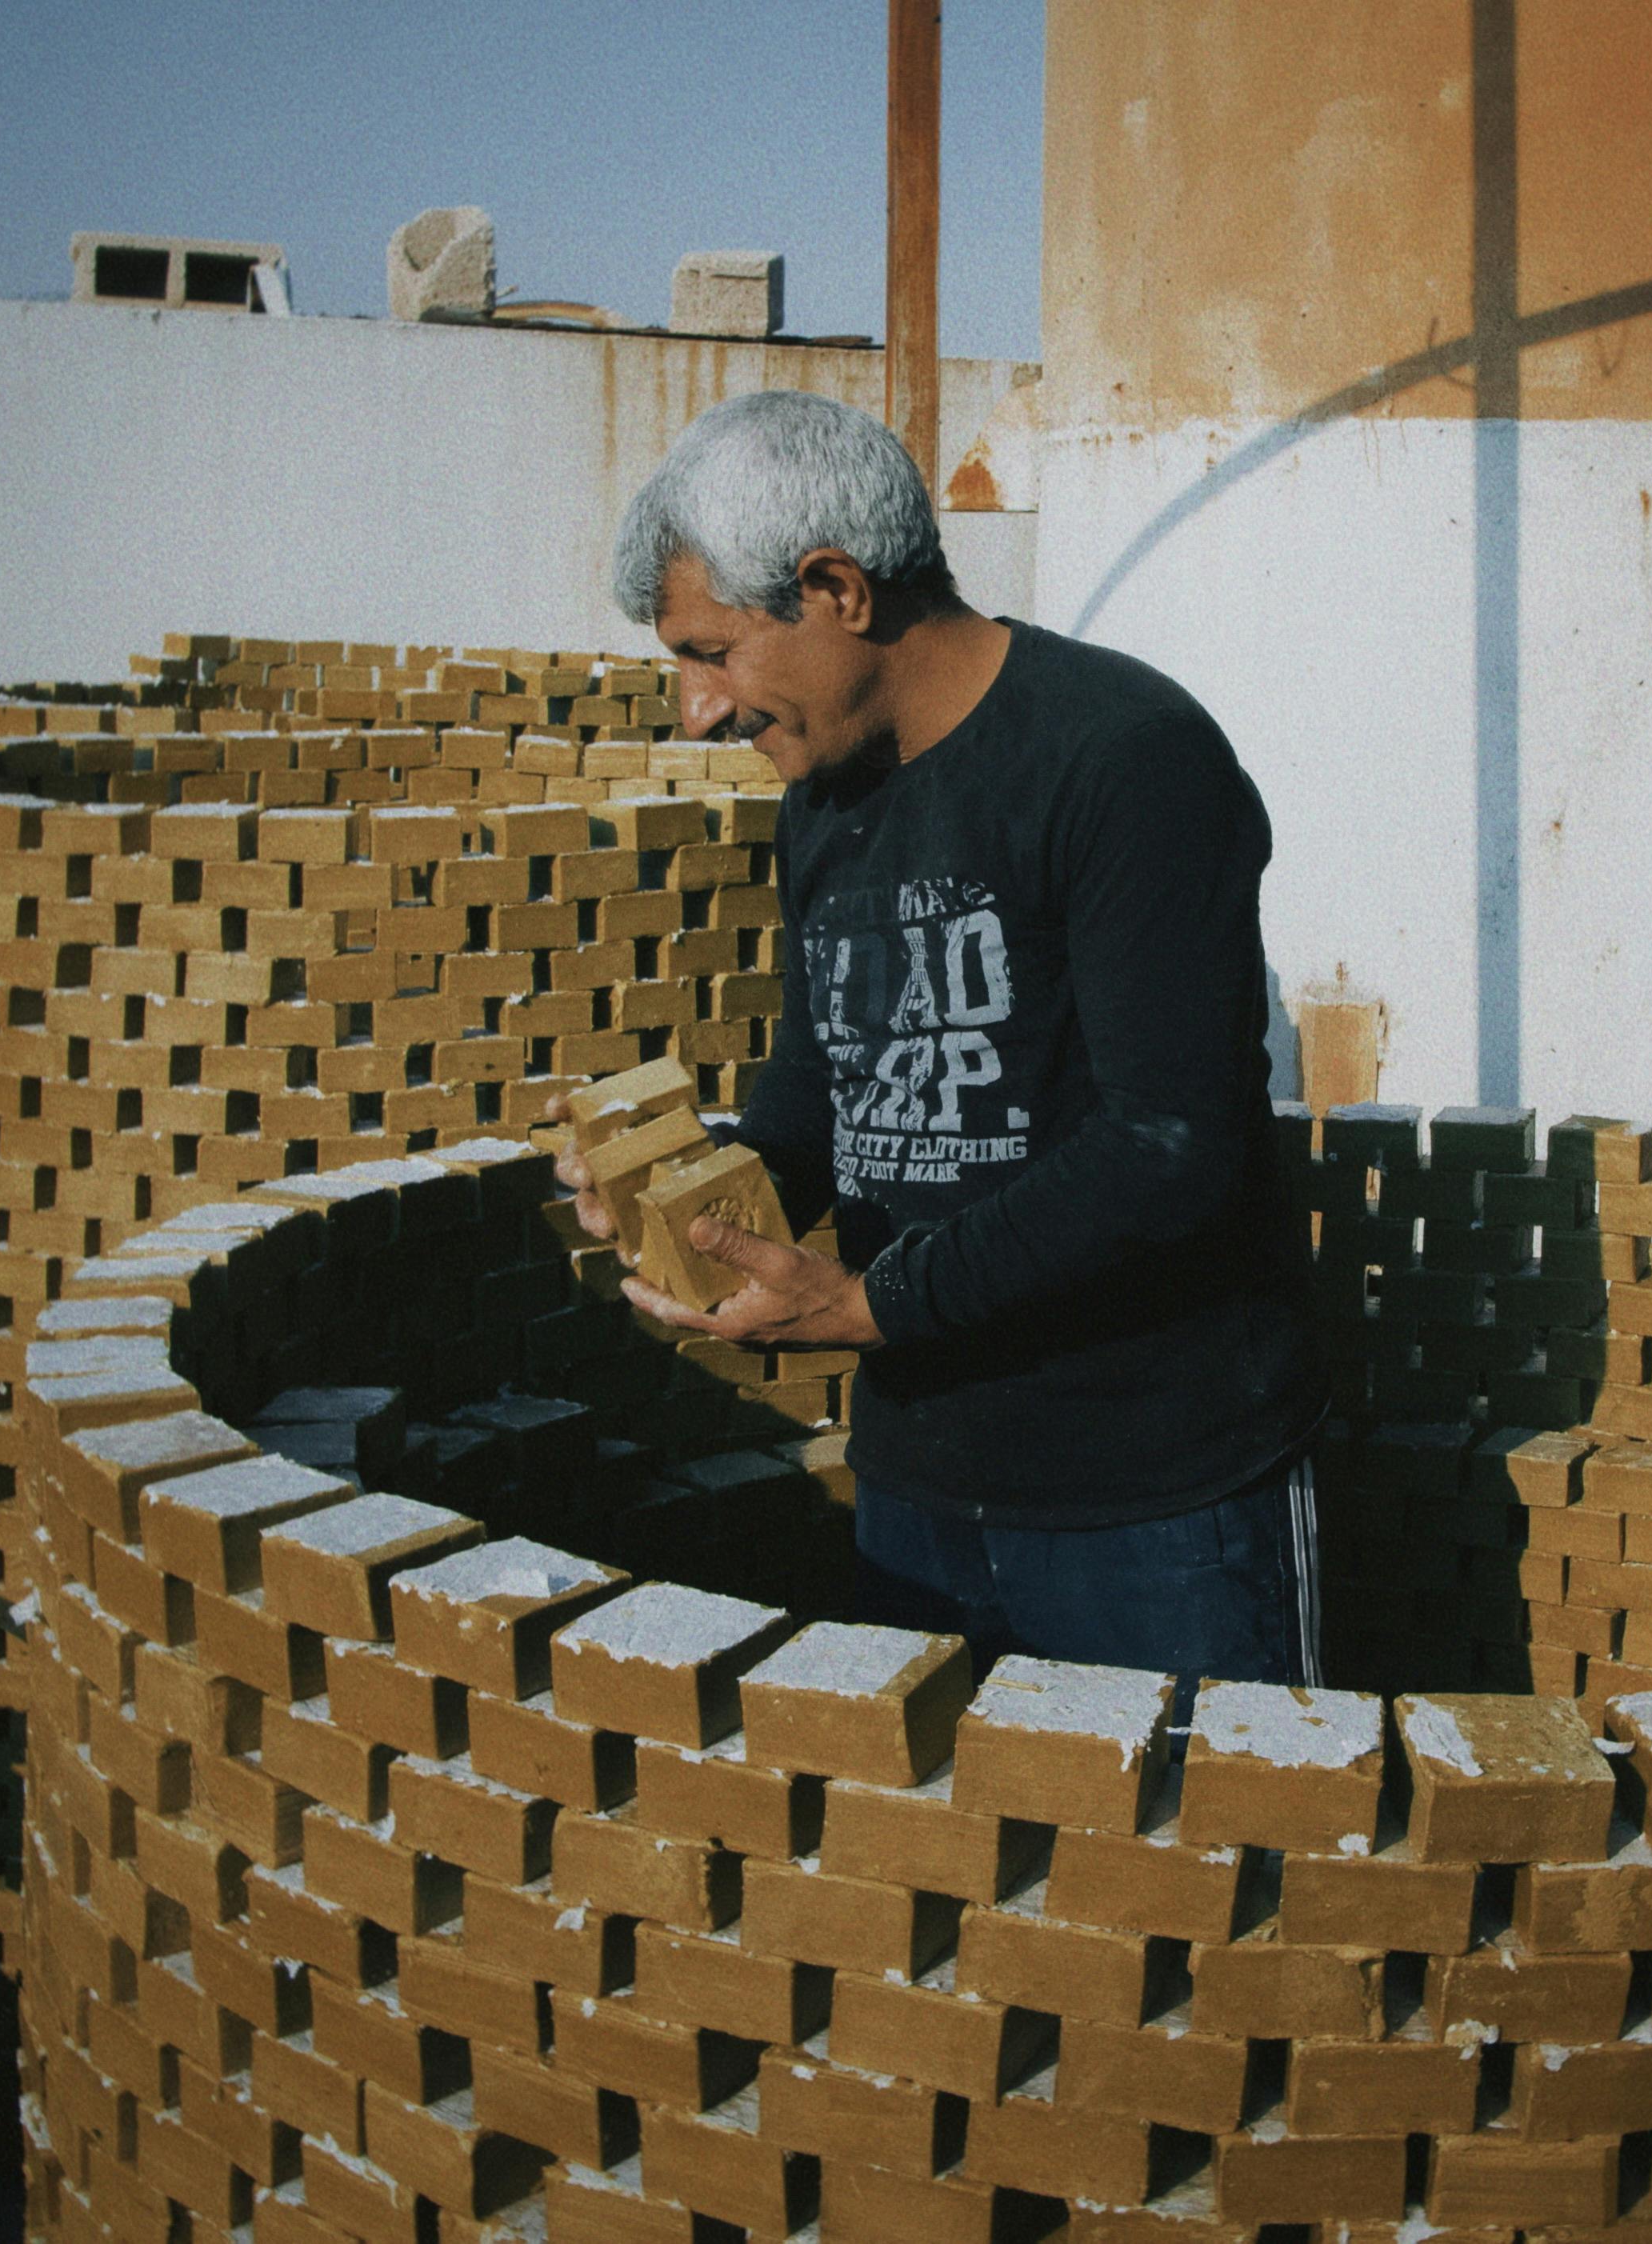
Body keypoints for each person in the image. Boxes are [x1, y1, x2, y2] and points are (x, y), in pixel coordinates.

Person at [551, 390, 1325, 1688]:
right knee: (957, 1883)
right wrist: (695, 1196)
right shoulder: (825, 792)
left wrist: (874, 1302)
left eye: (711, 652)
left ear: (836, 587)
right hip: (919, 1483)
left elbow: (1167, 1144)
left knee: (1199, 1878)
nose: (694, 710)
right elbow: (824, 1087)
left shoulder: (1123, 757)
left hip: (1158, 1502)